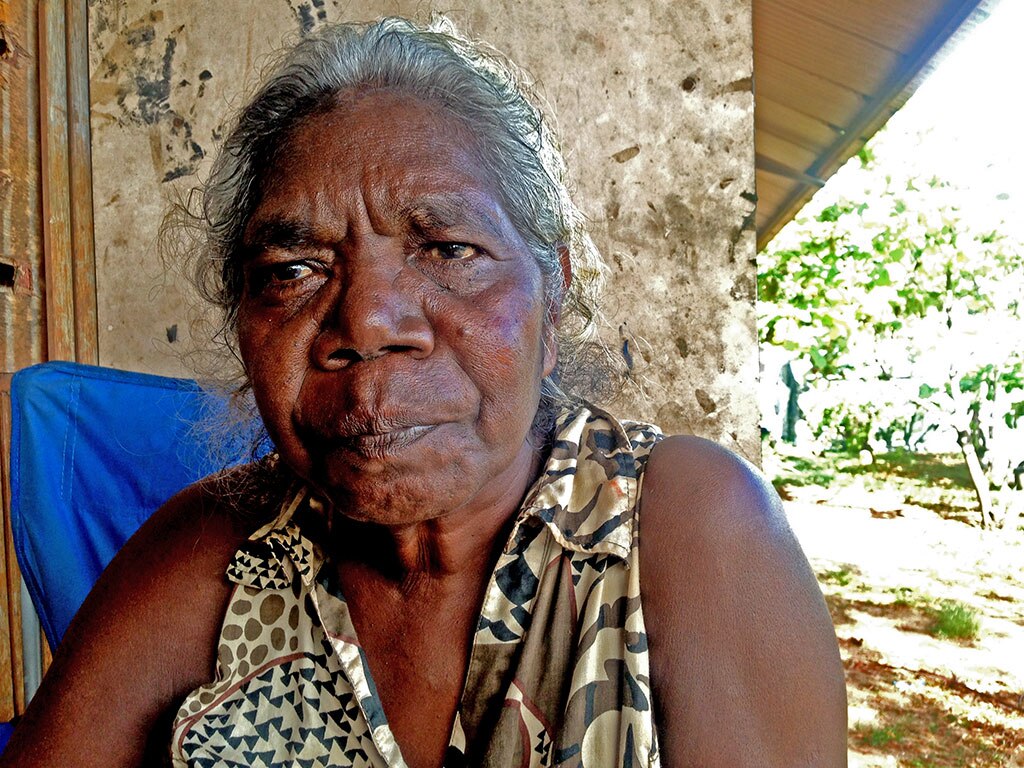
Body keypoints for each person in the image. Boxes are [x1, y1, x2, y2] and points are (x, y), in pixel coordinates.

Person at [0, 16, 847, 768]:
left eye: (446, 249)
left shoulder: (689, 528)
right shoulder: (210, 555)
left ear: (551, 297)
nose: (366, 322)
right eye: (293, 270)